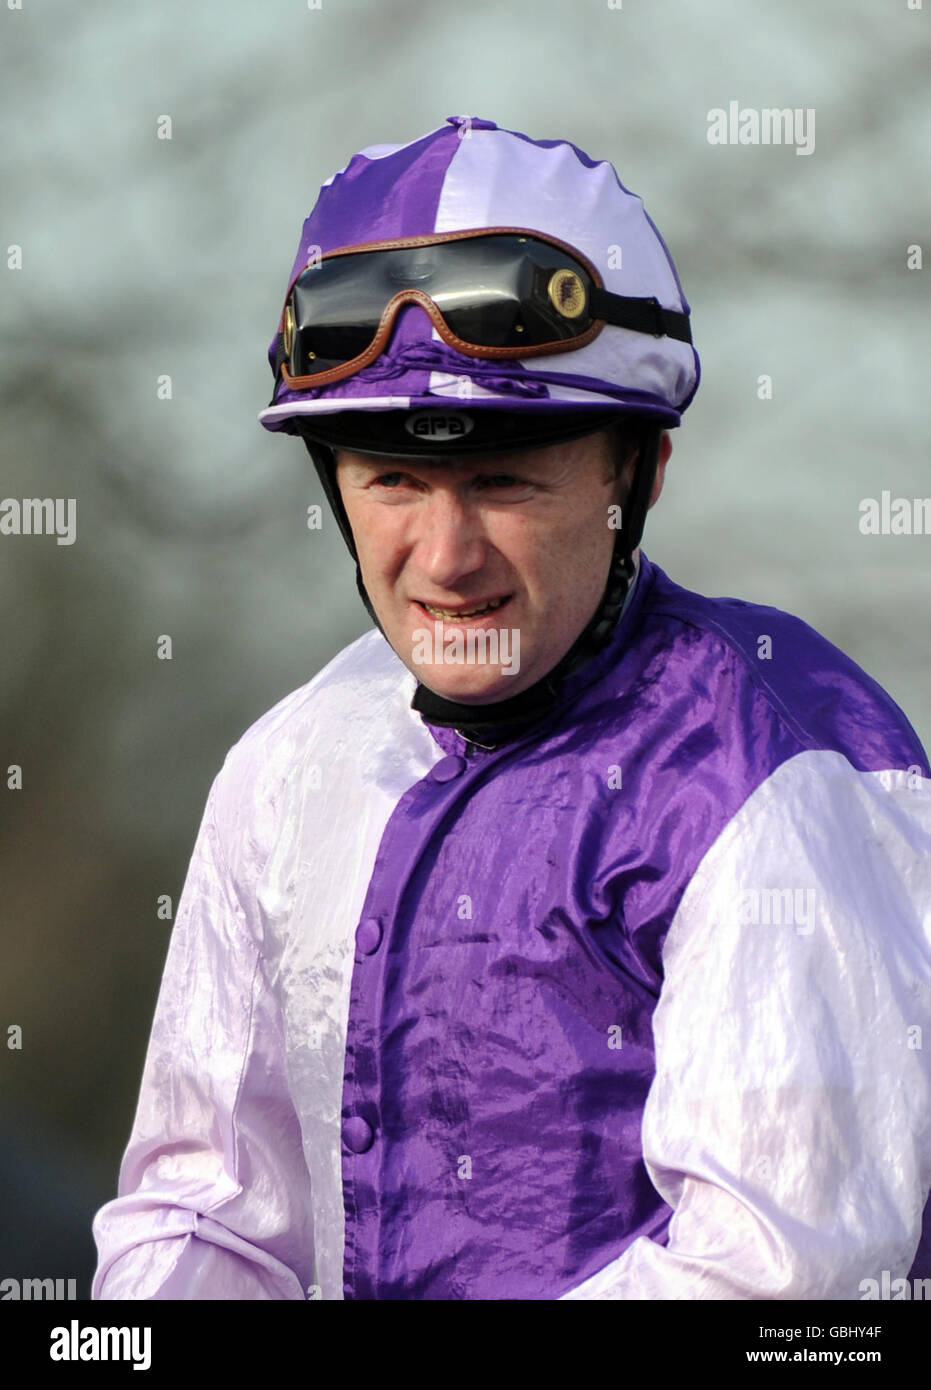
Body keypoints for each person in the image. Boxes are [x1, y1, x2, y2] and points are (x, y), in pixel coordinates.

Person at [91, 115, 931, 1301]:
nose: (445, 555)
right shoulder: (286, 767)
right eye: (392, 479)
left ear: (634, 475)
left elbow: (774, 1287)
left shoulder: (777, 770)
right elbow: (204, 1215)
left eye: (502, 481)